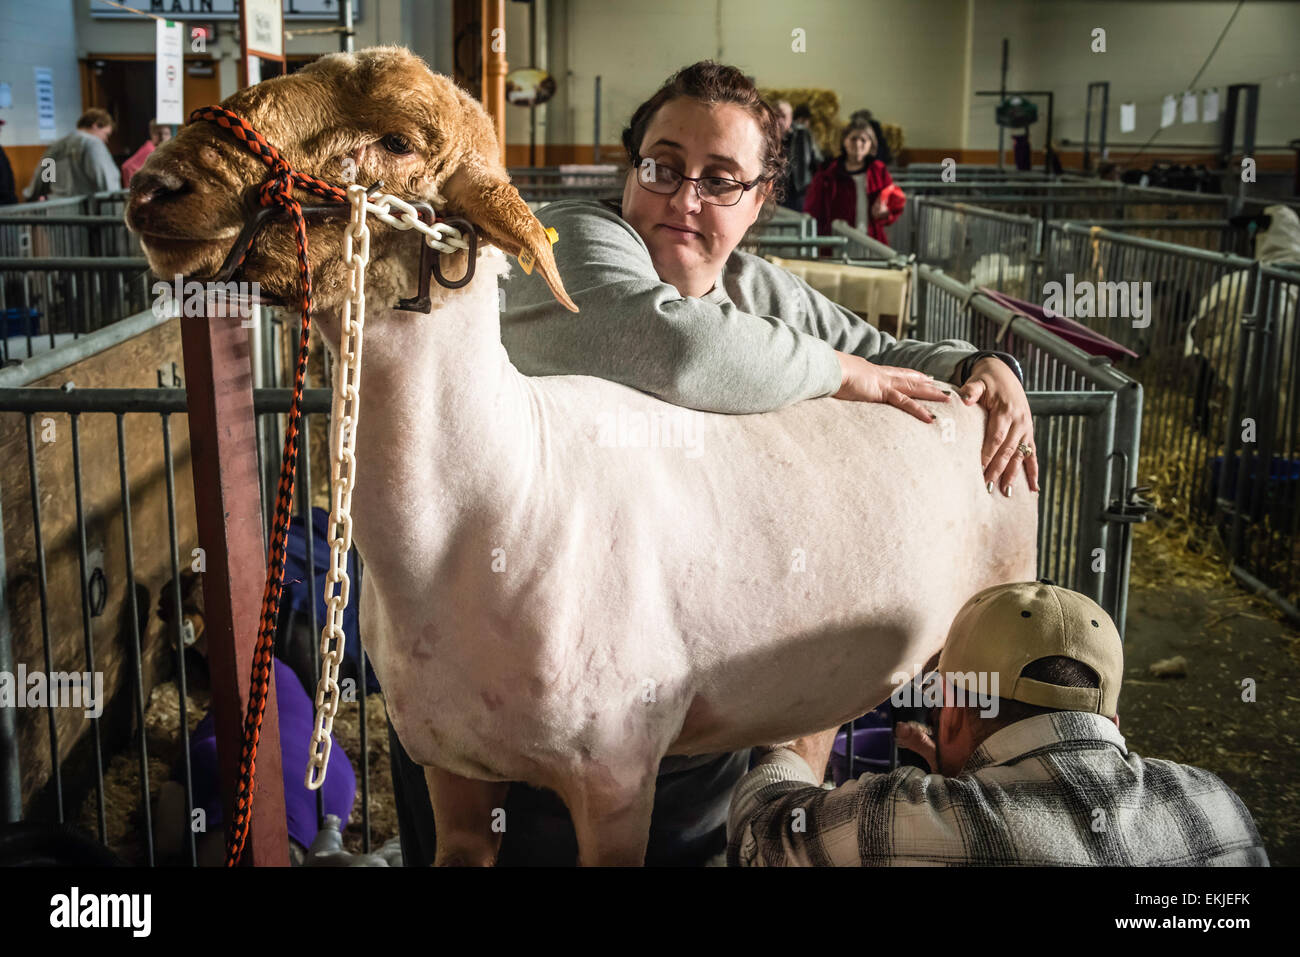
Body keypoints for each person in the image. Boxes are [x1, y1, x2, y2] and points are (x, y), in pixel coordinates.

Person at [385, 59, 1039, 867]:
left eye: (720, 179)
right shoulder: (567, 243)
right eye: (662, 166)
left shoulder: (762, 293)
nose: (683, 197)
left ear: (763, 198)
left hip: (669, 681)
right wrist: (837, 372)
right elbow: (678, 348)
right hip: (493, 654)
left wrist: (986, 364)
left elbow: (888, 351)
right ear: (632, 170)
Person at [728, 580, 1269, 866]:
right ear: (1112, 718)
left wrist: (813, 729)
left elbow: (757, 835)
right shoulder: (1217, 805)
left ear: (958, 711)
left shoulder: (905, 821)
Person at [804, 120, 898, 246]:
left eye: (864, 140)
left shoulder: (879, 171)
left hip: (871, 242)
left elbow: (893, 201)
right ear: (844, 141)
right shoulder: (827, 174)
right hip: (837, 242)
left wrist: (886, 211)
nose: (858, 144)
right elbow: (813, 210)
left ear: (871, 144)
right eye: (853, 139)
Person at [23, 108, 121, 200]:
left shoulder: (55, 146)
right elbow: (109, 185)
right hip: (87, 212)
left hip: (56, 210)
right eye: (106, 134)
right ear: (96, 125)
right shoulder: (93, 143)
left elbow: (40, 182)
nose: (106, 140)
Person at [778, 101, 818, 211]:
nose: (779, 120)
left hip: (798, 192)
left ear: (791, 118)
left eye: (783, 116)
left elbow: (816, 162)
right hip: (773, 195)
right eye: (776, 115)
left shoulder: (803, 134)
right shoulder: (765, 136)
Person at [121, 119, 171, 187]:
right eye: (158, 133)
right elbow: (126, 167)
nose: (163, 137)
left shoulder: (157, 150)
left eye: (166, 134)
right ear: (151, 133)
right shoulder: (150, 149)